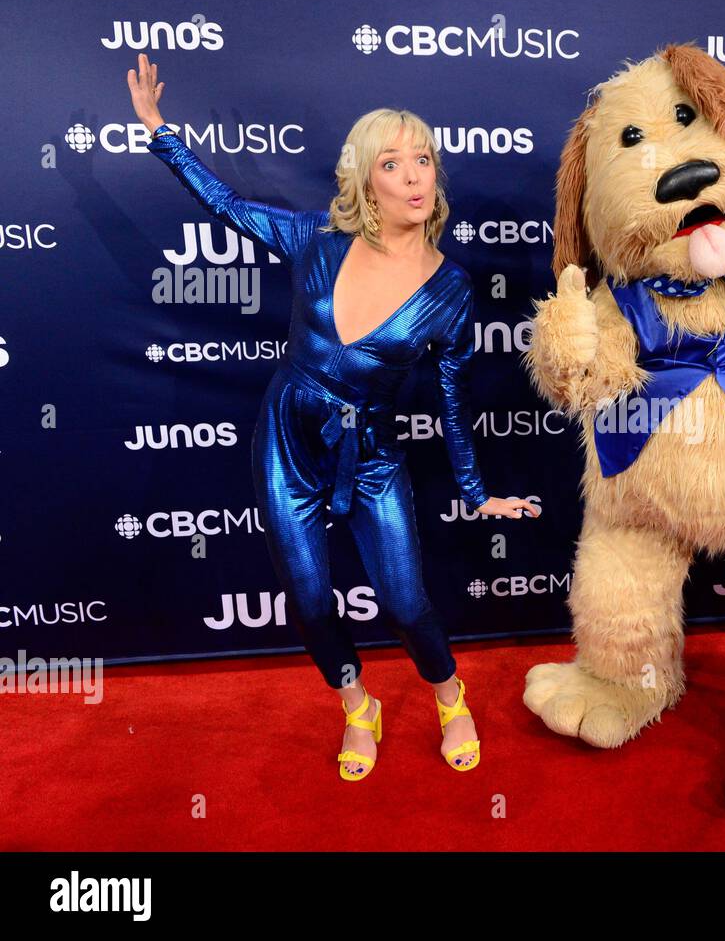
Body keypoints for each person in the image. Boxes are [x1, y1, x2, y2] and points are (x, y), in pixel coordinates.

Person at [127, 52, 540, 780]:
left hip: (374, 454)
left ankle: (449, 695)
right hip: (286, 440)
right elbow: (225, 205)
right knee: (311, 599)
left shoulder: (450, 289)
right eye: (393, 162)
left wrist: (478, 493)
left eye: (424, 160)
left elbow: (451, 401)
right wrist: (161, 131)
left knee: (407, 601)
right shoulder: (315, 239)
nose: (415, 176)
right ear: (364, 178)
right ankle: (357, 705)